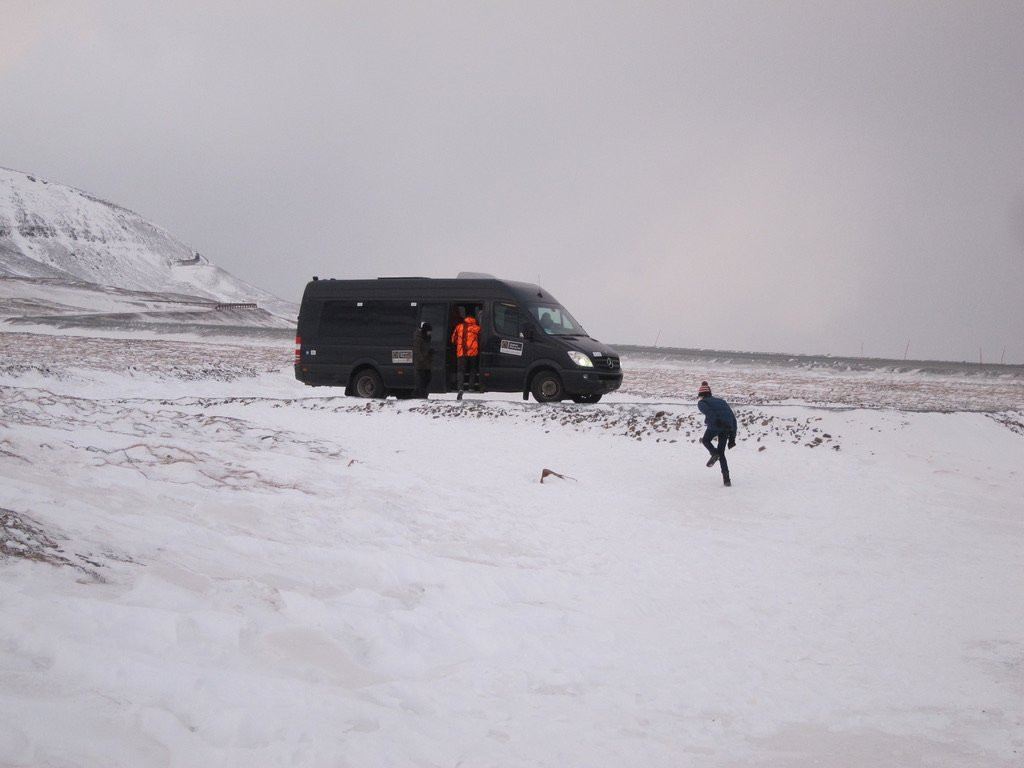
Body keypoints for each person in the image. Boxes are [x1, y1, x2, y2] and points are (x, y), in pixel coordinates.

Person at [697, 380, 737, 486]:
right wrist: (732, 438)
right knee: (722, 453)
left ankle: (714, 454)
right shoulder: (722, 401)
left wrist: (716, 421)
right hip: (728, 427)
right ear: (710, 393)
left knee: (705, 440)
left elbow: (709, 412)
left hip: (716, 425)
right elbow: (733, 418)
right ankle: (727, 479)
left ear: (701, 395)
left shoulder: (702, 403)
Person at [450, 312, 481, 398]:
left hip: (461, 352)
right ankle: (471, 387)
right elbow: (481, 339)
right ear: (474, 319)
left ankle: (460, 387)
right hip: (473, 353)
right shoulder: (476, 328)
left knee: (461, 371)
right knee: (473, 369)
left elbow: (453, 339)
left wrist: (459, 344)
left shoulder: (459, 327)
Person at [412, 321, 434, 398]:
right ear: (425, 330)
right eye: (429, 331)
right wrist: (422, 359)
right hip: (421, 364)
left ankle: (421, 394)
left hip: (427, 363)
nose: (430, 333)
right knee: (421, 380)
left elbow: (426, 348)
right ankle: (420, 395)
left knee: (428, 378)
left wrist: (430, 351)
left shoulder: (426, 338)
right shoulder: (418, 338)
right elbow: (417, 350)